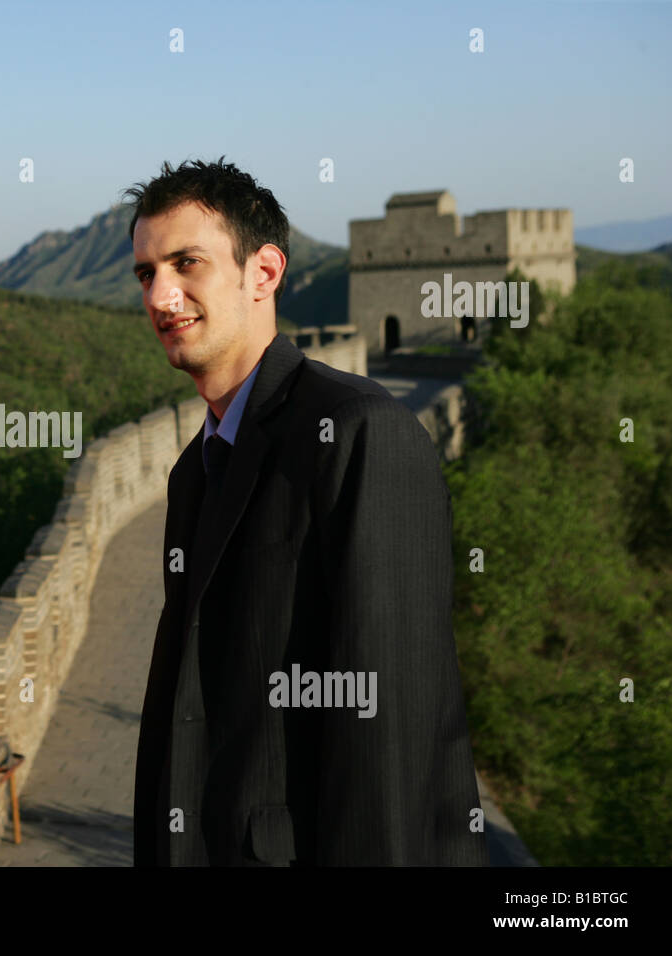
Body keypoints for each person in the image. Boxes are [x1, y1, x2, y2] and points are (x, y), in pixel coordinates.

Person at [127, 158, 488, 866]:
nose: (162, 295)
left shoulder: (358, 433)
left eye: (186, 264)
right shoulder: (193, 471)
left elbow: (389, 735)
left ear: (263, 273)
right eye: (146, 273)